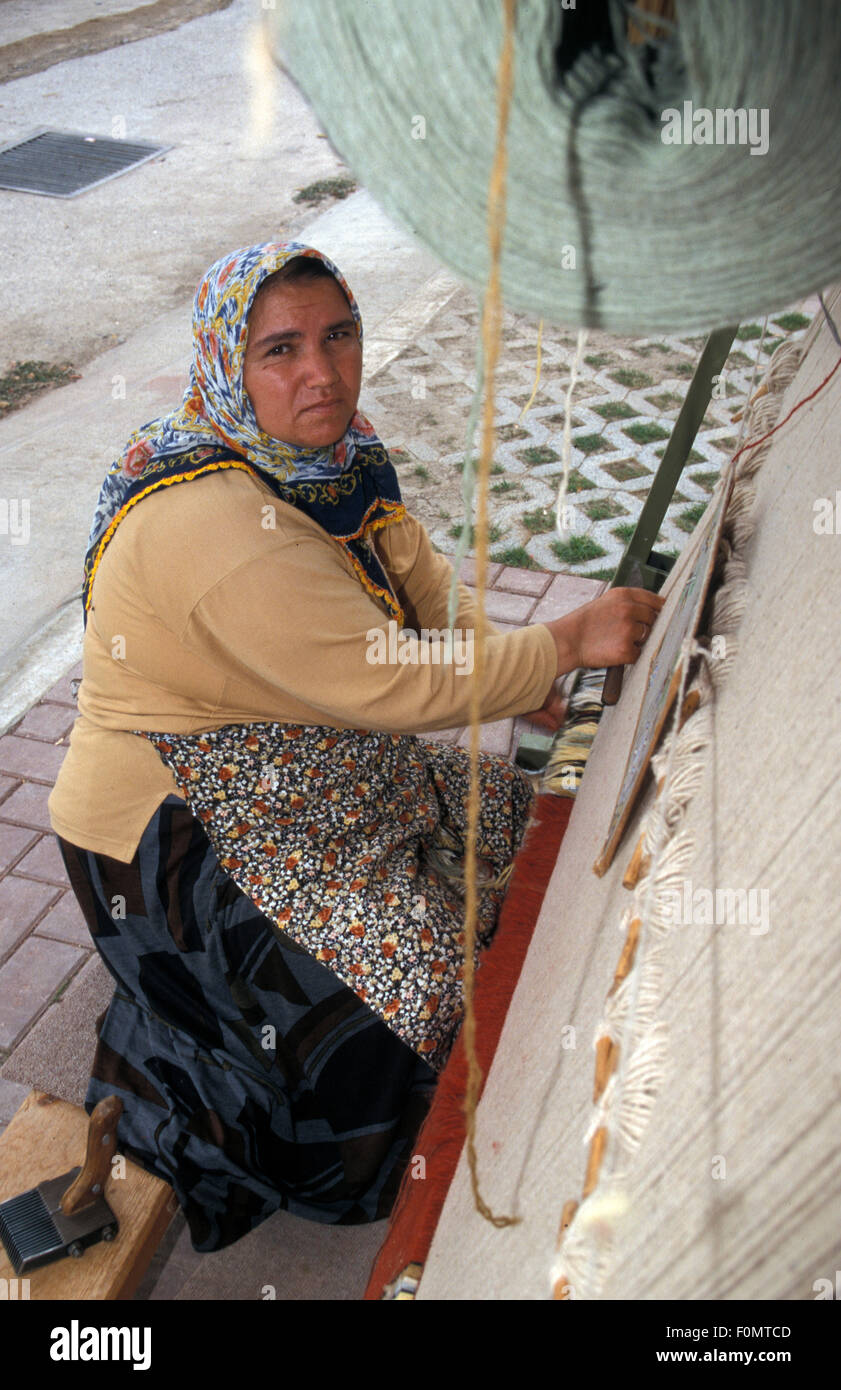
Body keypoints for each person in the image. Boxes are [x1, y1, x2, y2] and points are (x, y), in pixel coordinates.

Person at [48, 241, 663, 1252]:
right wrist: (560, 640)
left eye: (338, 336)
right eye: (279, 349)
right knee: (420, 978)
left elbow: (418, 589)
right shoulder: (211, 522)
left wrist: (532, 679)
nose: (322, 375)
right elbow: (388, 680)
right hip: (173, 827)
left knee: (517, 824)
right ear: (224, 368)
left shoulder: (329, 460)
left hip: (301, 754)